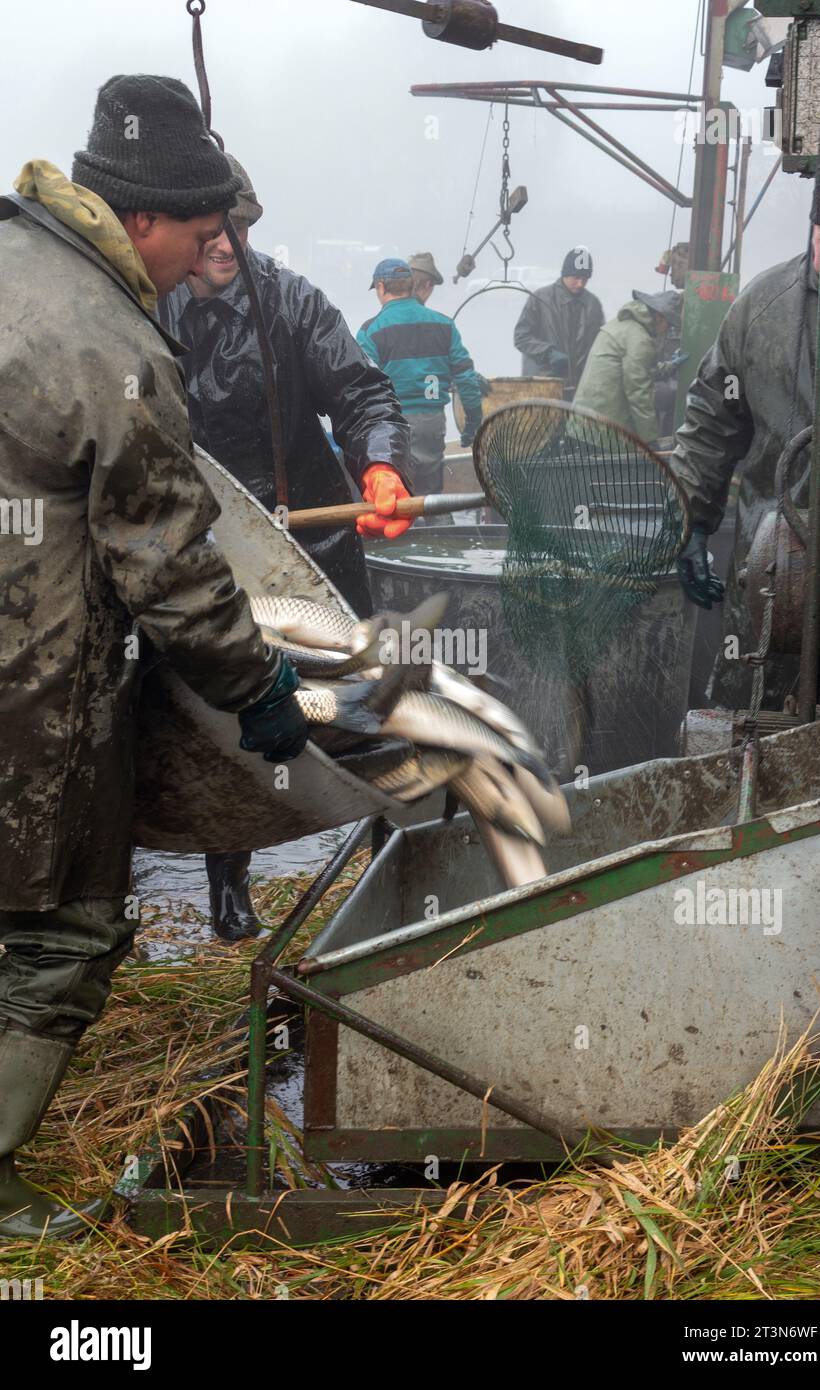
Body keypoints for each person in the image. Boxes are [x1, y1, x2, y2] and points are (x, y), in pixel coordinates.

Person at [0, 75, 309, 1238]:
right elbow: (170, 564)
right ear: (141, 221)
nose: (209, 253)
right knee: (61, 926)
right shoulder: (111, 339)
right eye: (202, 231)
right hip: (31, 683)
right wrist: (255, 688)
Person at [159, 157, 411, 942]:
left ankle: (388, 867)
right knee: (216, 713)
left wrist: (379, 463)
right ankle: (227, 881)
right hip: (192, 548)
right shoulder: (146, 303)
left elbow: (363, 392)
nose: (228, 245)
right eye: (214, 229)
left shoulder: (291, 301)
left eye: (242, 227)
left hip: (311, 541)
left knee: (353, 703)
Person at [671, 178, 820, 710]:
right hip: (773, 557)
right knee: (753, 712)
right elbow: (713, 420)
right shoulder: (763, 305)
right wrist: (691, 522)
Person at [357, 258, 482, 518]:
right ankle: (440, 546)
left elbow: (361, 388)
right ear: (410, 285)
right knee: (432, 496)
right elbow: (466, 377)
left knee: (398, 499)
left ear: (381, 287)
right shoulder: (444, 325)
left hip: (393, 425)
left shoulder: (370, 331)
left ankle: (404, 549)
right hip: (433, 423)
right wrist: (473, 420)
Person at [572, 290, 683, 444]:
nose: (668, 329)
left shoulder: (622, 324)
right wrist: (650, 440)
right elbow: (638, 393)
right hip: (602, 431)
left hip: (585, 419)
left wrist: (671, 366)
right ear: (659, 317)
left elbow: (641, 369)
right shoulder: (639, 338)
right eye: (669, 324)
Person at [513, 246, 604, 398]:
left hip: (580, 388)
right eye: (576, 278)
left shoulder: (593, 304)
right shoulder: (540, 299)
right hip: (543, 386)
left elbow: (600, 344)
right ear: (565, 274)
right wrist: (548, 353)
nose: (580, 283)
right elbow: (521, 337)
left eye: (585, 279)